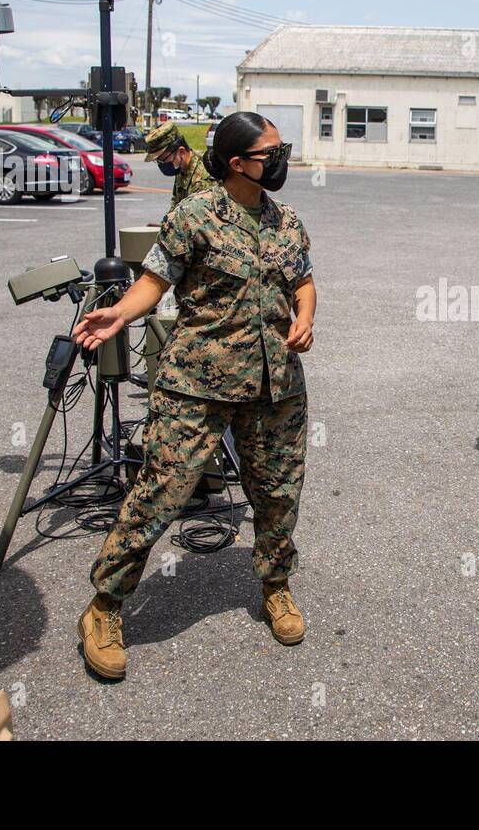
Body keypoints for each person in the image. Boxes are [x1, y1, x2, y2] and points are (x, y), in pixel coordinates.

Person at [72, 112, 315, 680]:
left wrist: (304, 318)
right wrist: (117, 316)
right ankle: (104, 606)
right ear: (238, 163)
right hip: (197, 384)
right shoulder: (195, 215)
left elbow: (302, 280)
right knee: (161, 492)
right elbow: (155, 282)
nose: (282, 160)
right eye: (272, 152)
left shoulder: (287, 221)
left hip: (275, 384)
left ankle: (275, 587)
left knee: (278, 492)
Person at [145, 121, 217, 216]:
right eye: (157, 161)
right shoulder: (181, 167)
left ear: (181, 152)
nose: (161, 164)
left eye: (164, 159)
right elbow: (175, 203)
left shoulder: (203, 178)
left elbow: (195, 218)